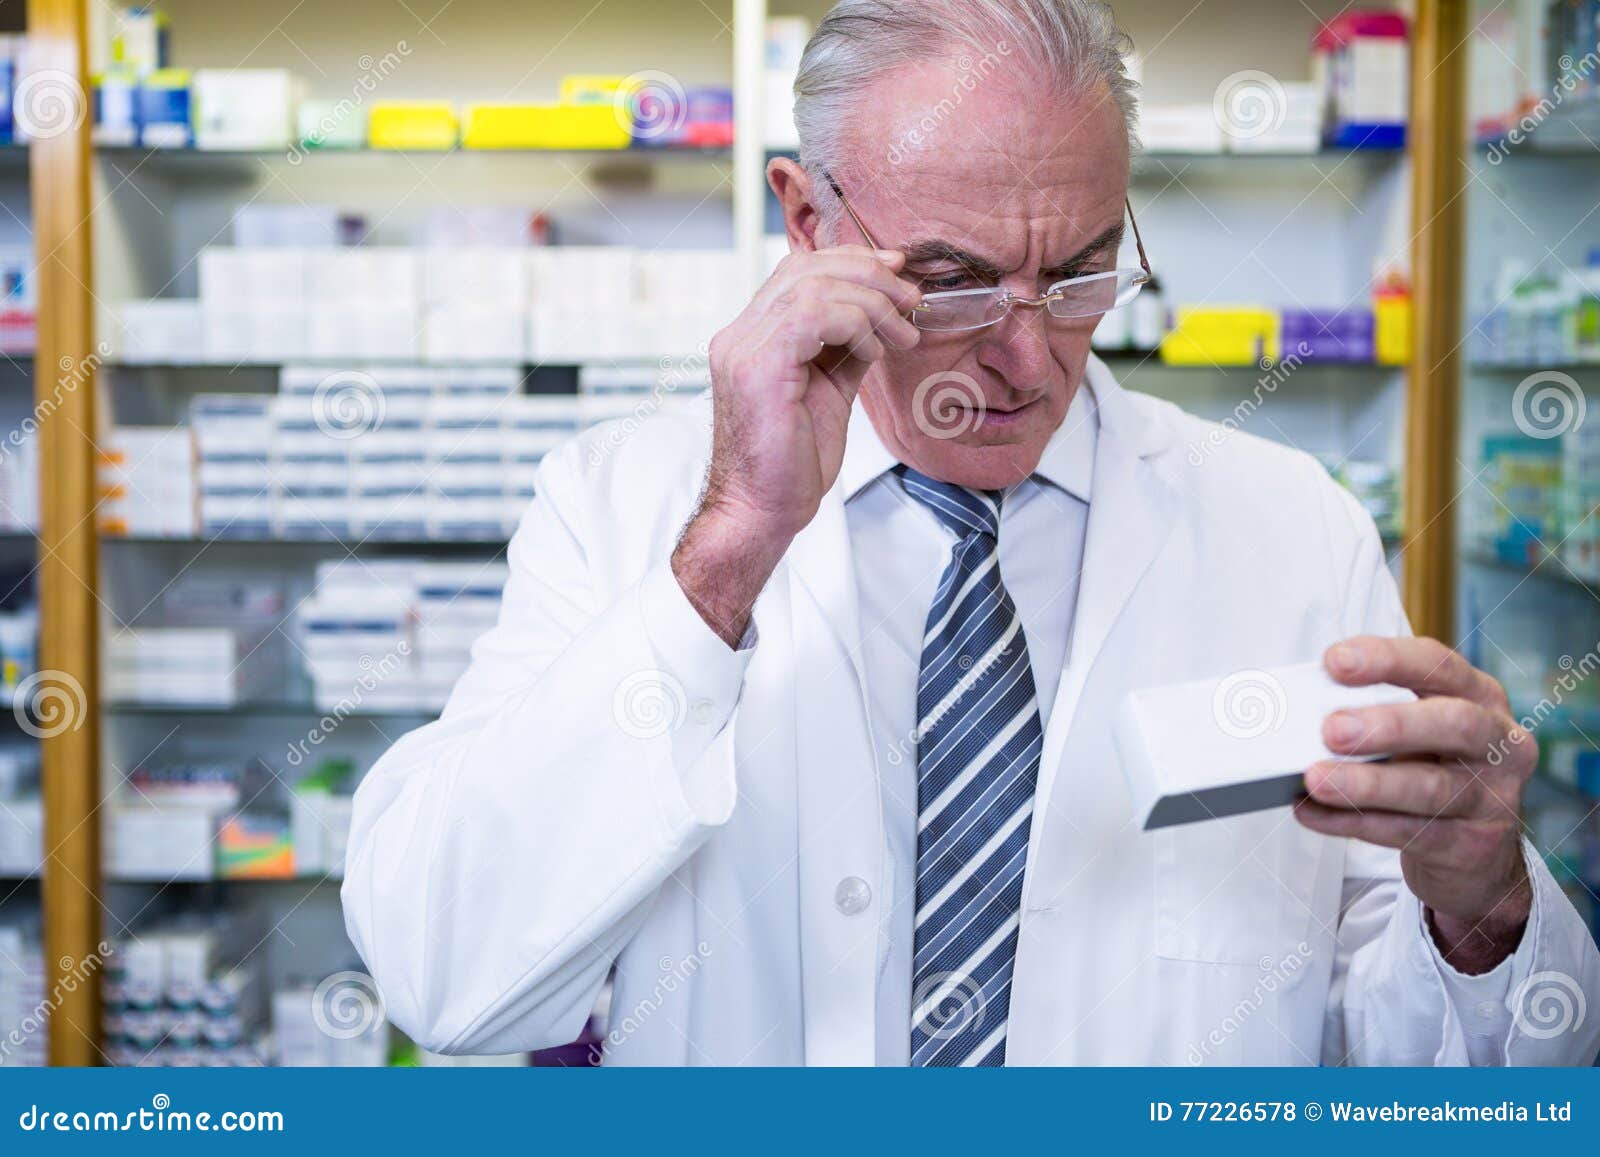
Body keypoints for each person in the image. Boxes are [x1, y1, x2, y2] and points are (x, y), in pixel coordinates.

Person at [343, 0, 1600, 1065]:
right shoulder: (623, 504)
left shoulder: (1292, 529)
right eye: (950, 279)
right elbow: (448, 977)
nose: (1022, 355)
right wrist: (729, 544)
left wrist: (1479, 899)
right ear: (807, 221)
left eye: (1079, 276)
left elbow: (1431, 1053)